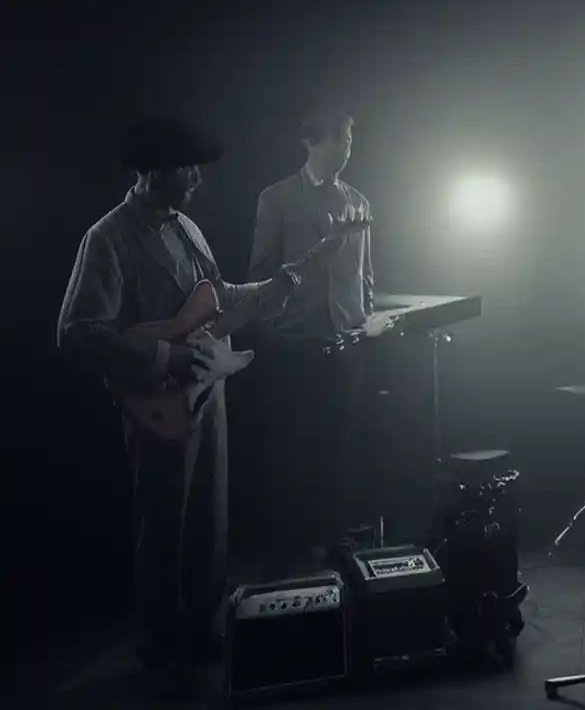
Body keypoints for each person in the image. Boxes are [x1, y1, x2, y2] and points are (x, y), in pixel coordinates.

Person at [56, 119, 293, 698]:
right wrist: (165, 357)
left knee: (209, 519)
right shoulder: (108, 238)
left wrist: (271, 290)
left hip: (208, 392)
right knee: (164, 525)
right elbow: (78, 331)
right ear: (152, 172)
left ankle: (203, 629)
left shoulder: (187, 228)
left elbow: (213, 298)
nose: (196, 180)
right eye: (185, 169)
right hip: (157, 402)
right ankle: (162, 644)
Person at [248, 106, 374, 569]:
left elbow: (366, 274)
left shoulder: (358, 199)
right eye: (338, 139)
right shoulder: (277, 199)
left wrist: (365, 319)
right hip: (295, 345)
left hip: (346, 343)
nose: (346, 148)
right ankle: (291, 547)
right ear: (310, 143)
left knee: (340, 446)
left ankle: (333, 537)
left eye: (349, 139)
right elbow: (260, 272)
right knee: (293, 450)